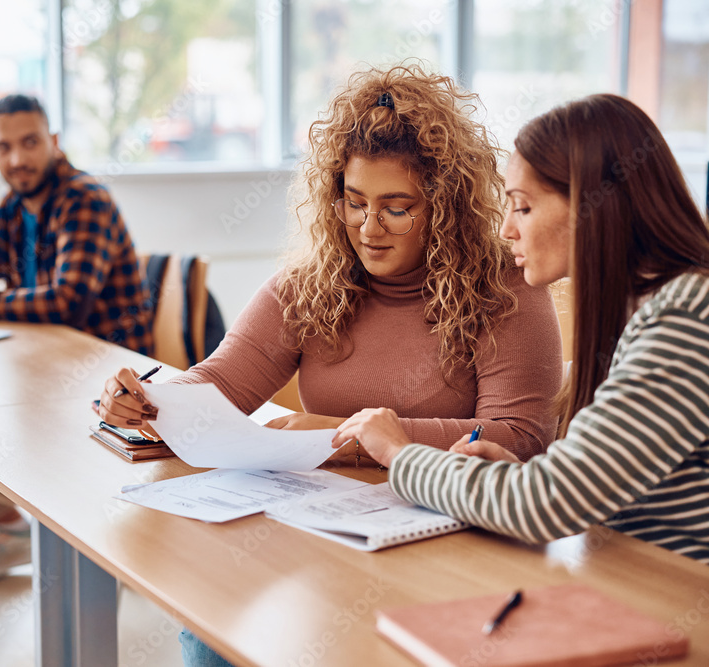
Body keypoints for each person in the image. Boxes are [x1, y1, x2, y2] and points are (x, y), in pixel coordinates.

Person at [97, 65, 564, 666]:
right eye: (354, 202)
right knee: (212, 620)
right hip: (322, 529)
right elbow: (219, 382)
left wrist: (344, 439)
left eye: (397, 208)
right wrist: (149, 398)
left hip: (444, 539)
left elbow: (520, 439)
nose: (368, 230)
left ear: (445, 206)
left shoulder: (504, 289)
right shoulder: (310, 283)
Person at [334, 93, 709, 565]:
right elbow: (598, 490)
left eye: (524, 207)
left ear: (593, 207)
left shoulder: (685, 320)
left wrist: (397, 452)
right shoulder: (646, 310)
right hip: (631, 585)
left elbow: (547, 505)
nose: (508, 229)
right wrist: (510, 477)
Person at [0, 93, 153, 587]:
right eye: (4, 147)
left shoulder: (85, 200)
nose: (17, 159)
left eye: (30, 143)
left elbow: (67, 301)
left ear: (54, 143)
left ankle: (92, 553)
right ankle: (13, 529)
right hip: (39, 365)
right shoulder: (13, 208)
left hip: (105, 375)